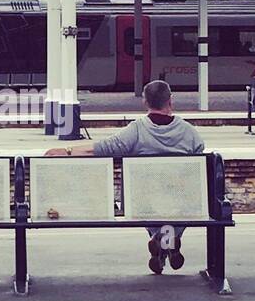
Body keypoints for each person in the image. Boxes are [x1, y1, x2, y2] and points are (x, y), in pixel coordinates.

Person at [45, 78, 204, 275]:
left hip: (143, 202)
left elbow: (103, 148)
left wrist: (67, 150)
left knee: (145, 198)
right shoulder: (189, 132)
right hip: (180, 202)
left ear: (145, 102)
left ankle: (160, 237)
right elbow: (200, 152)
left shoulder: (137, 130)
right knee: (180, 199)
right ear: (170, 101)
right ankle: (168, 240)